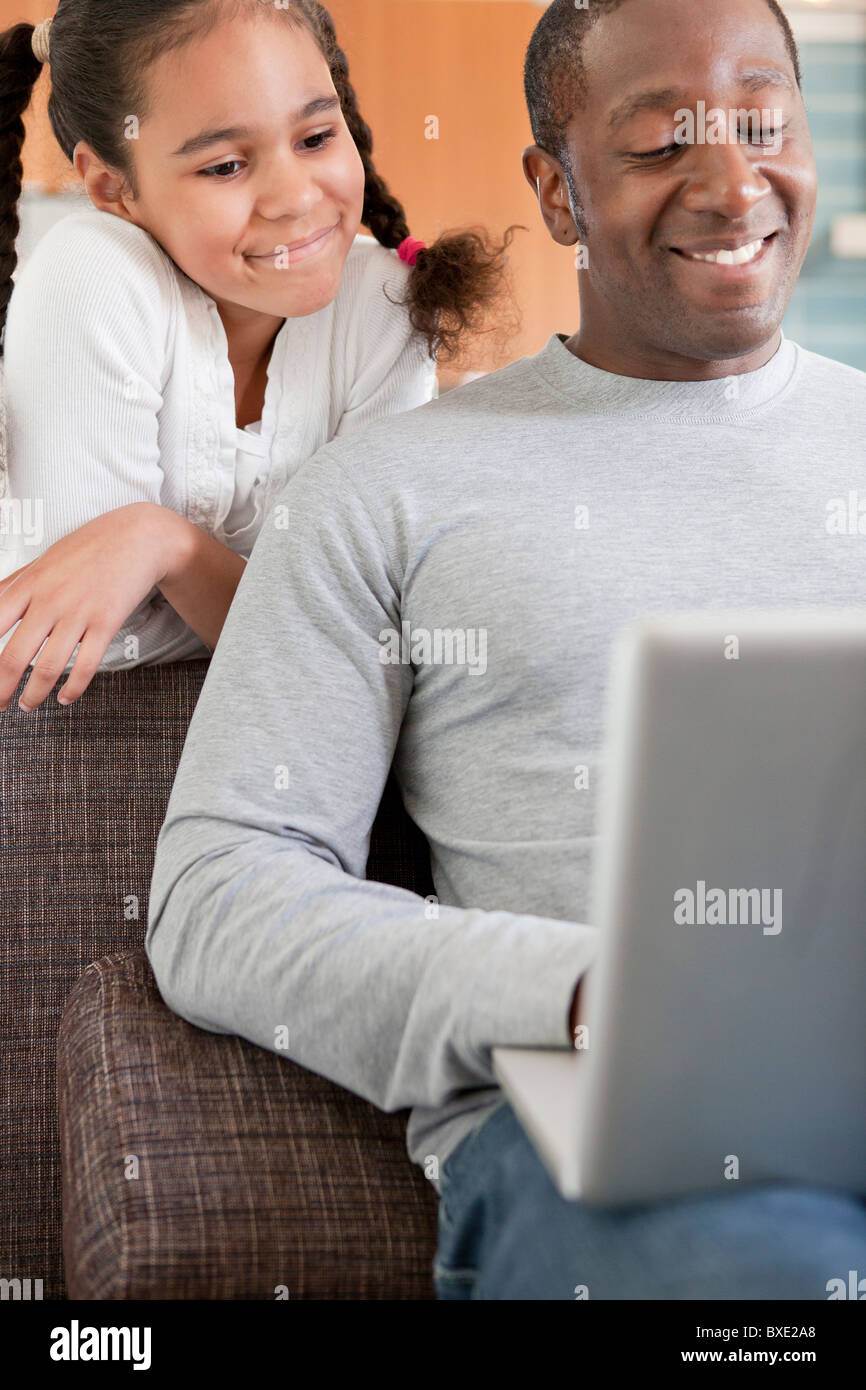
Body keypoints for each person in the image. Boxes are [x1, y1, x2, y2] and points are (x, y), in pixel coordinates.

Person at [145, 0, 866, 1299]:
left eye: (761, 124)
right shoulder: (381, 491)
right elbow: (218, 891)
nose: (730, 180)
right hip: (622, 1145)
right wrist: (589, 989)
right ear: (556, 188)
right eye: (660, 145)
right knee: (769, 1278)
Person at [0, 0, 515, 713]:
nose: (296, 198)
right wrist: (286, 604)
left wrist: (163, 546)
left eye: (314, 137)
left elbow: (366, 640)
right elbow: (94, 640)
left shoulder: (386, 308)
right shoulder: (92, 273)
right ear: (112, 187)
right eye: (225, 165)